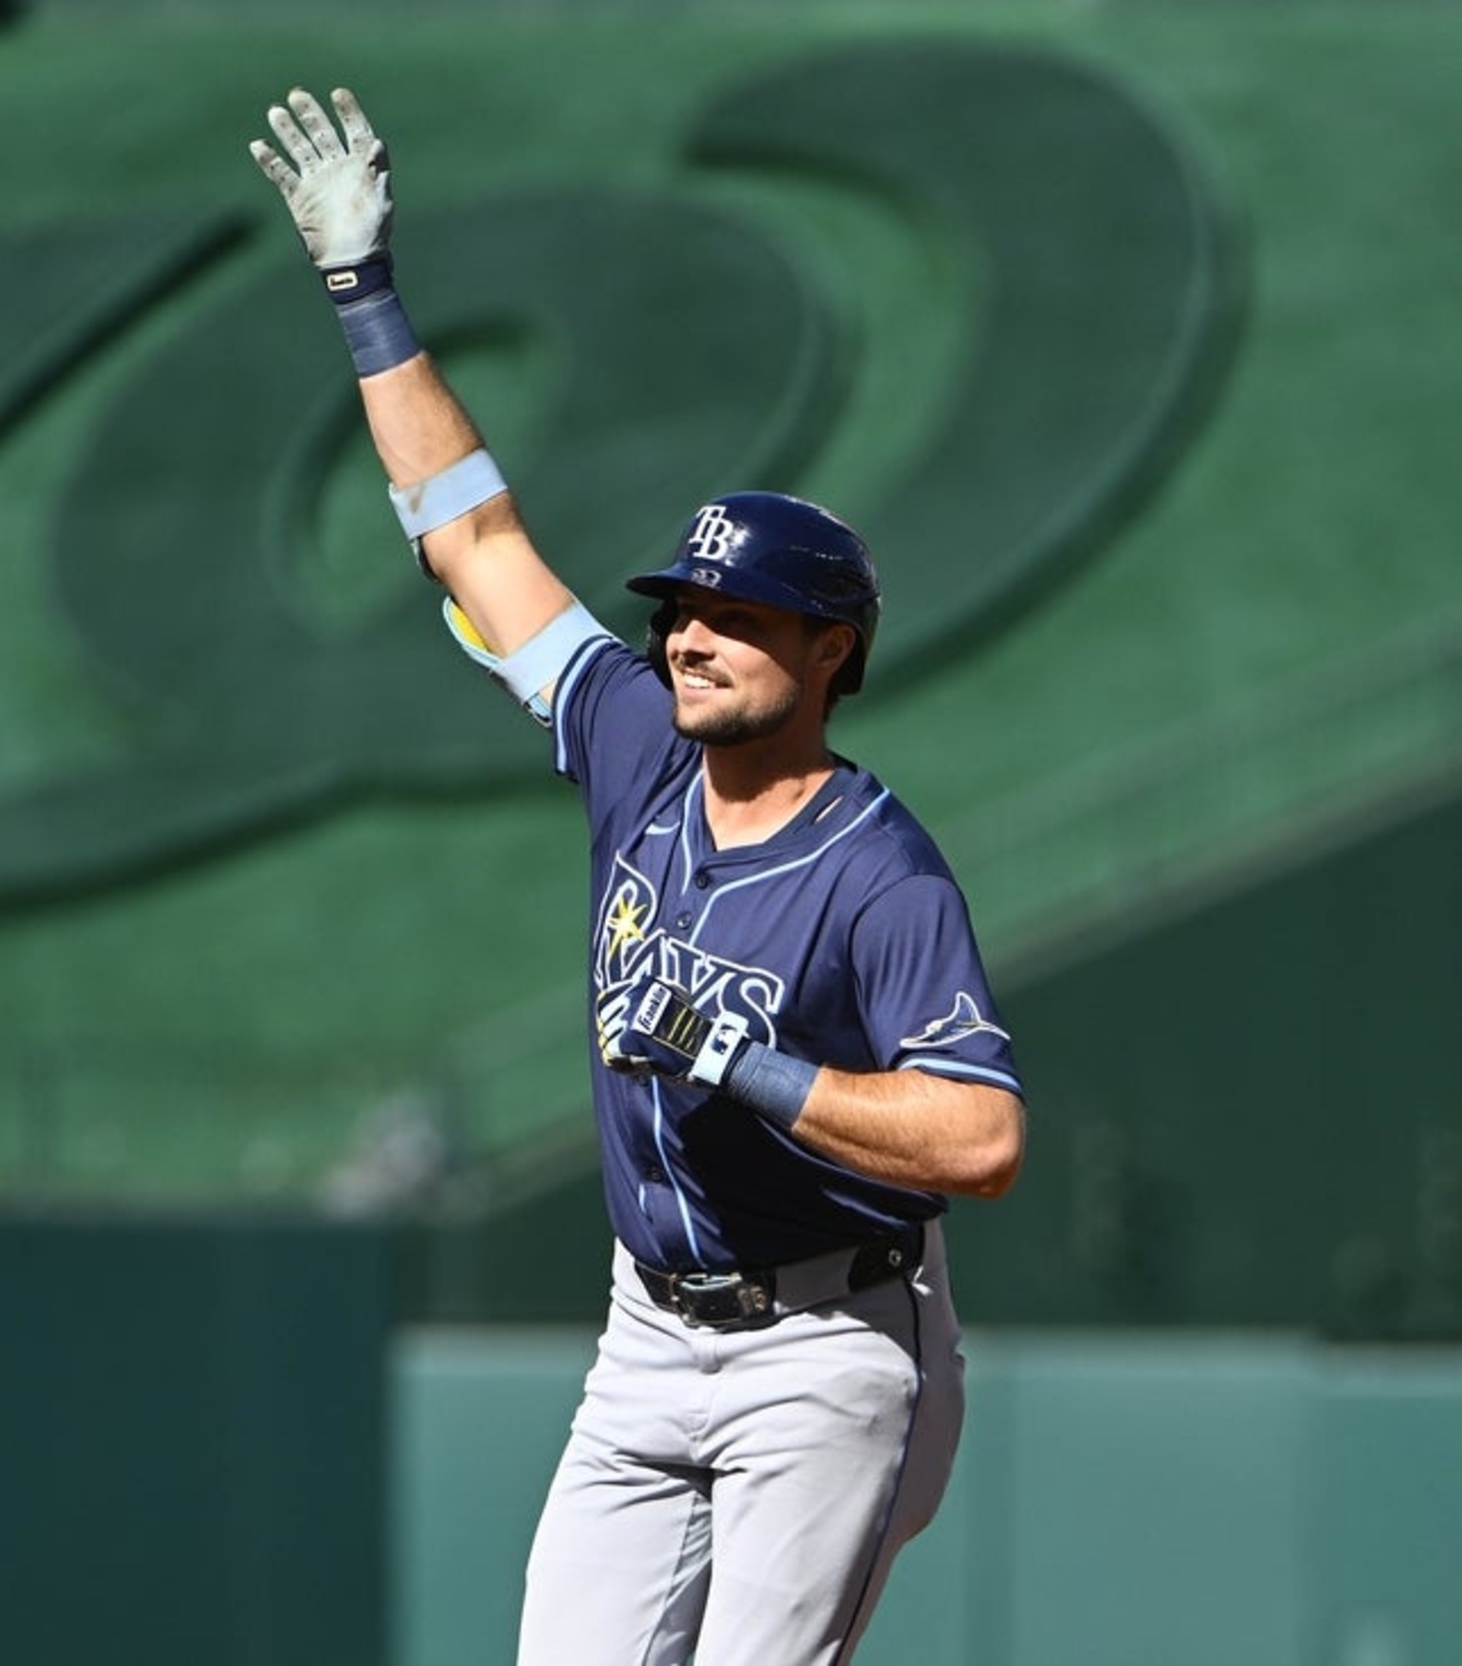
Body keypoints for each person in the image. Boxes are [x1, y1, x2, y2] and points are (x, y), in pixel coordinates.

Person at [250, 87, 1028, 1666]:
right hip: (648, 1332)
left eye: (733, 617)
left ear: (830, 650)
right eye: (680, 606)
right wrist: (365, 295)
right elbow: (472, 541)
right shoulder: (633, 741)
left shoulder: (877, 870)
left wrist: (755, 1061)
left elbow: (986, 1135)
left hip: (831, 1335)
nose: (686, 633)